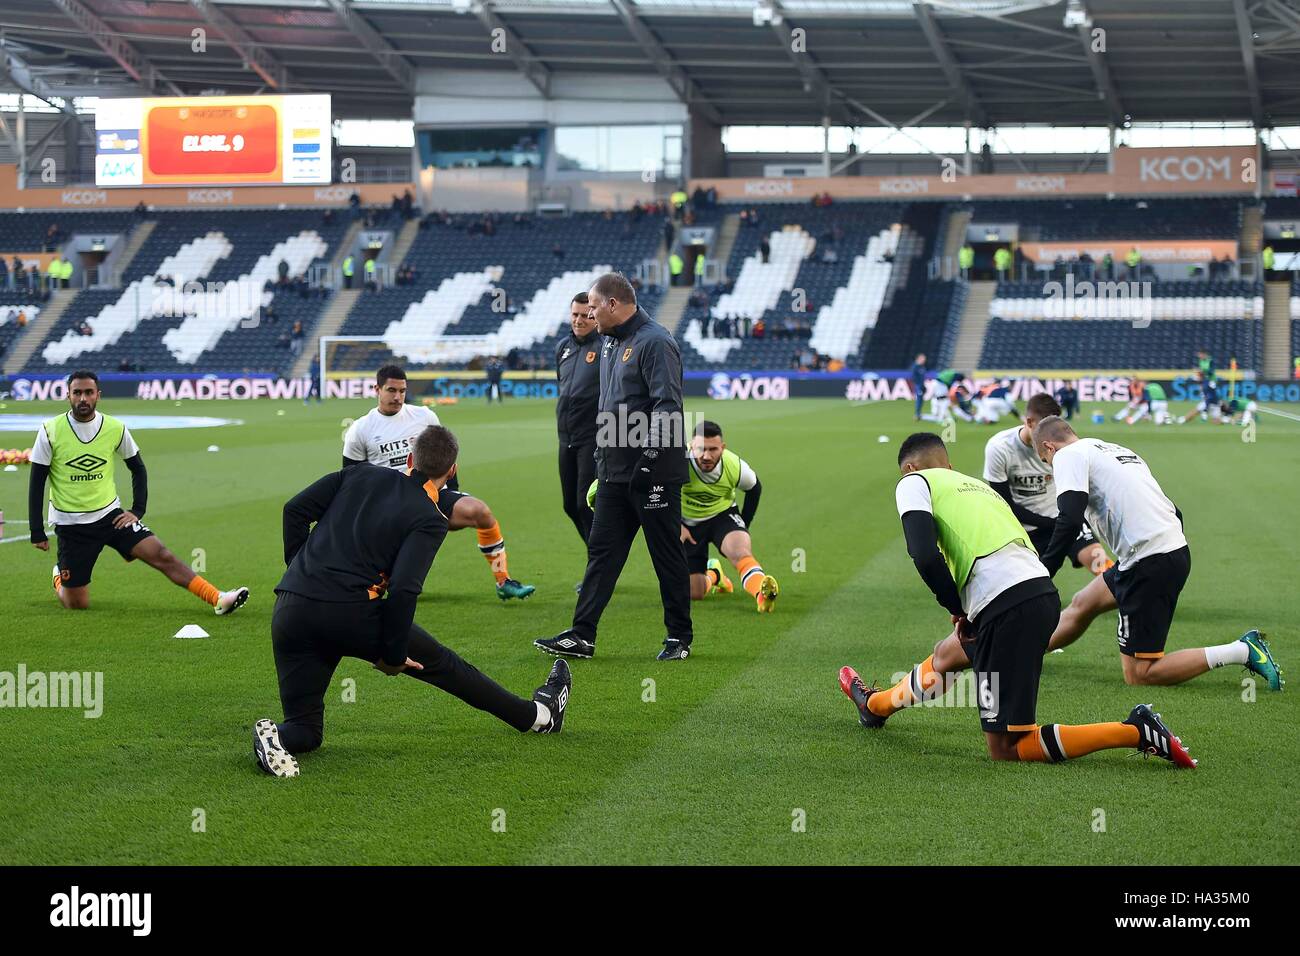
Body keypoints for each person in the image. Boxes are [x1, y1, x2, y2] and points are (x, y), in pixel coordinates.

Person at [837, 432, 1198, 768]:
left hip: (1006, 608)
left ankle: (1134, 730)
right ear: (948, 465)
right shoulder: (977, 488)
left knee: (1008, 748)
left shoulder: (914, 481)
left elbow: (924, 553)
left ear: (911, 467)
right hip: (1038, 596)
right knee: (948, 654)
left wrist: (956, 608)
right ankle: (874, 706)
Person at [252, 426, 571, 777]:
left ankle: (276, 737)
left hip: (292, 607)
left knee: (305, 730)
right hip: (350, 613)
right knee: (446, 666)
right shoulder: (430, 517)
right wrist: (392, 656)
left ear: (409, 458)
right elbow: (404, 589)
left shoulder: (357, 473)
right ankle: (540, 718)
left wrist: (300, 570)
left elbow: (293, 510)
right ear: (451, 471)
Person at [1032, 416, 1281, 690]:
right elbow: (1173, 509)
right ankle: (1024, 652)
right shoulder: (1116, 450)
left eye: (1046, 460)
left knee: (1140, 674)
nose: (1051, 467)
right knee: (1083, 604)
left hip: (1149, 561)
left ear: (1049, 447)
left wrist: (1042, 575)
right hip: (1163, 551)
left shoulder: (1067, 456)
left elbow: (1069, 518)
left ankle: (1242, 651)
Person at [534, 272, 693, 662]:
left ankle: (679, 638)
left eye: (593, 306)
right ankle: (582, 635)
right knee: (601, 556)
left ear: (612, 304)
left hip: (652, 475)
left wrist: (649, 461)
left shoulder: (655, 342)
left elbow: (667, 407)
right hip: (613, 472)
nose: (588, 314)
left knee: (665, 555)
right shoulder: (607, 342)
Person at [28, 370, 248, 614]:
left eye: (88, 392)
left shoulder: (115, 428)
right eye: (77, 393)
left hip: (111, 516)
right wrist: (37, 530)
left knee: (161, 554)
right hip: (72, 526)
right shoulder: (50, 430)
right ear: (67, 395)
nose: (83, 398)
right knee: (77, 603)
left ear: (98, 395)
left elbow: (138, 468)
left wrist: (137, 510)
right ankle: (60, 577)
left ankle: (218, 598)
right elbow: (37, 481)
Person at [342, 365, 535, 601]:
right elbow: (351, 480)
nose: (397, 397)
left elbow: (444, 454)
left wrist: (451, 492)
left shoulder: (424, 416)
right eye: (391, 390)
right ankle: (374, 586)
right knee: (380, 587)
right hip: (391, 506)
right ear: (377, 389)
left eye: (402, 391)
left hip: (433, 496)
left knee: (480, 512)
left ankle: (503, 580)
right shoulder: (360, 430)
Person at [983, 393, 1110, 576]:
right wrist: (1051, 523)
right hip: (1025, 530)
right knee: (1024, 587)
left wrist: (1066, 521)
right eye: (1042, 430)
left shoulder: (1060, 444)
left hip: (1064, 519)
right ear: (1029, 421)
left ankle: (1128, 596)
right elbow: (1005, 505)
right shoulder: (999, 448)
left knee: (1102, 566)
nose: (1048, 439)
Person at [679, 421, 777, 612]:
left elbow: (754, 489)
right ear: (692, 446)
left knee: (740, 551)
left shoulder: (734, 466)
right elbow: (660, 492)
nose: (706, 456)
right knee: (694, 593)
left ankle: (761, 595)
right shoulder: (679, 462)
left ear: (722, 448)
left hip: (721, 516)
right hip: (687, 523)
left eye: (713, 449)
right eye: (701, 449)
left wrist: (742, 526)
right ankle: (715, 574)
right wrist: (675, 524)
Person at [556, 292, 600, 543]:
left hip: (592, 439)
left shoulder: (605, 348)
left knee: (586, 505)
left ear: (595, 317)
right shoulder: (562, 347)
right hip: (566, 439)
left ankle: (599, 567)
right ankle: (598, 559)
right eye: (575, 314)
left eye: (586, 315)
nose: (579, 320)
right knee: (570, 506)